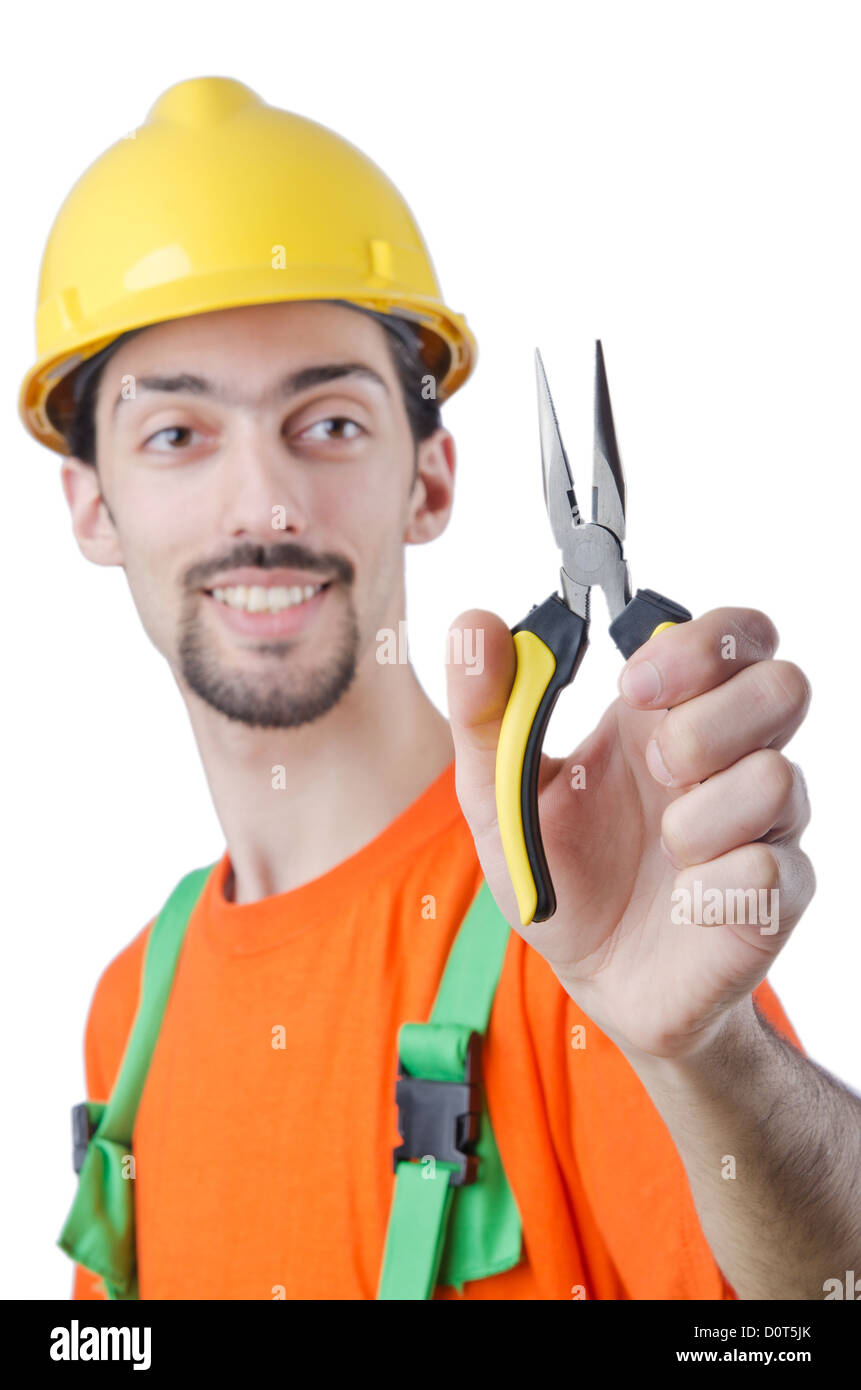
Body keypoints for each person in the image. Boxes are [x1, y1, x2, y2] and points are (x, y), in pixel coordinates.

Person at [20, 76, 860, 1301]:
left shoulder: (576, 920)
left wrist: (710, 1059)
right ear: (94, 505)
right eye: (176, 434)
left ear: (430, 479)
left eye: (331, 422)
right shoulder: (129, 1016)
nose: (265, 502)